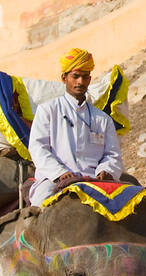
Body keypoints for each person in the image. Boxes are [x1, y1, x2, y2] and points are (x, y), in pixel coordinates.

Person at [28, 48, 124, 204]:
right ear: (64, 78)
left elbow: (112, 154)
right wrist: (60, 172)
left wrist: (105, 170)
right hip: (54, 180)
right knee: (41, 206)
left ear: (90, 79)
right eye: (75, 76)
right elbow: (38, 148)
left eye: (85, 77)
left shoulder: (103, 119)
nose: (80, 81)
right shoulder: (48, 110)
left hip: (94, 180)